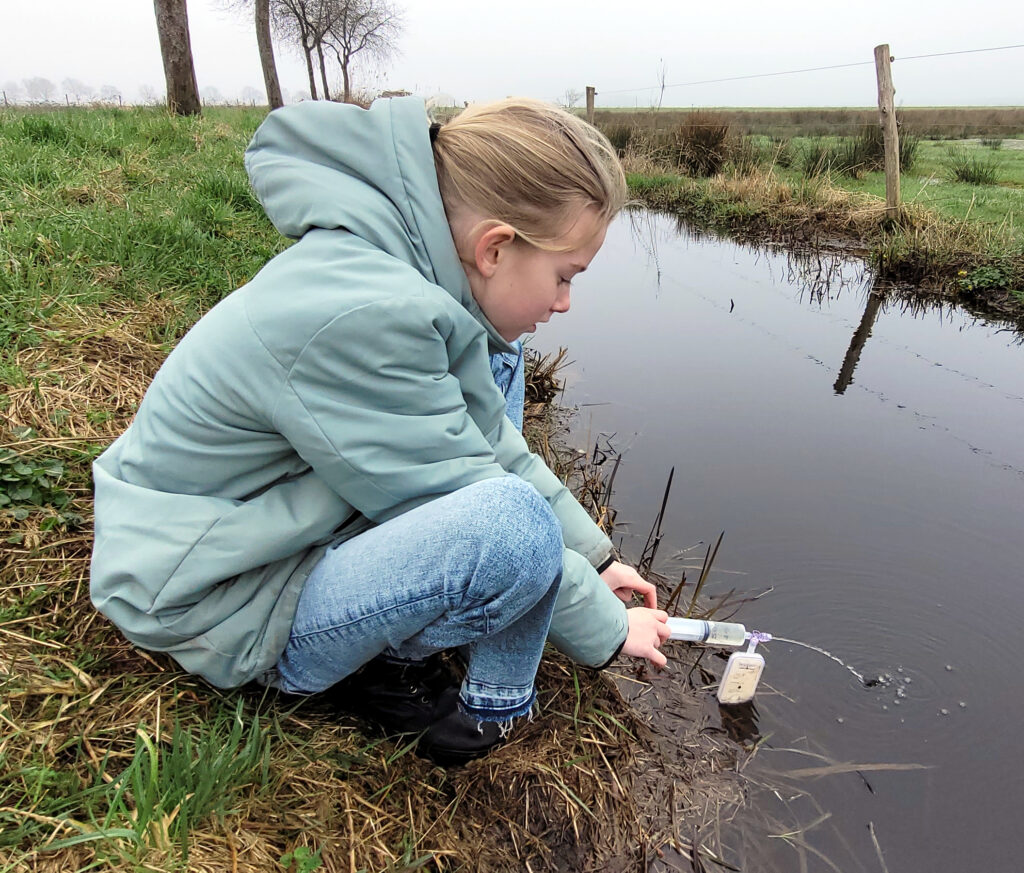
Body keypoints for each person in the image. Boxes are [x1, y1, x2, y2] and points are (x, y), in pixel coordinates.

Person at [90, 96, 671, 766]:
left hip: (260, 526)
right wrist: (606, 628)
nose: (564, 303)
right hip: (214, 597)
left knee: (501, 368)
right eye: (564, 277)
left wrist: (595, 558)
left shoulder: (401, 274)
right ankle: (442, 691)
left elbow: (490, 440)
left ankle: (407, 642)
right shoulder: (368, 314)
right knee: (511, 528)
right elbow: (472, 494)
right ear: (495, 247)